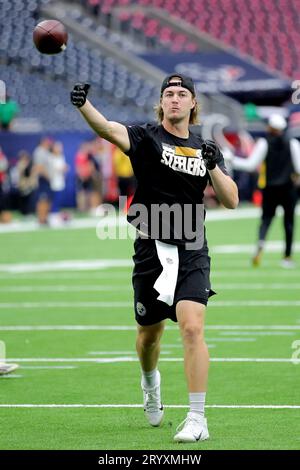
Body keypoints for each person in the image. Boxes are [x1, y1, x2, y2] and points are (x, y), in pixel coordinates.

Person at [70, 75, 238, 443]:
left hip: (192, 247)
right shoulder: (146, 137)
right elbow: (107, 129)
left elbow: (231, 199)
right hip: (151, 249)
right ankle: (150, 385)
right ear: (161, 103)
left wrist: (212, 166)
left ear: (193, 103)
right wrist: (84, 105)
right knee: (149, 337)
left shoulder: (205, 147)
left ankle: (197, 418)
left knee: (192, 327)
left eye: (181, 94)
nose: (174, 99)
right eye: (168, 94)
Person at [231, 114, 300, 268]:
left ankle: (261, 243)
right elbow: (299, 168)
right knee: (289, 222)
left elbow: (250, 165)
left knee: (266, 220)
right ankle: (287, 257)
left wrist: (231, 159)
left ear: (270, 127)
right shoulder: (293, 143)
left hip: (270, 188)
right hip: (289, 189)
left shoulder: (264, 142)